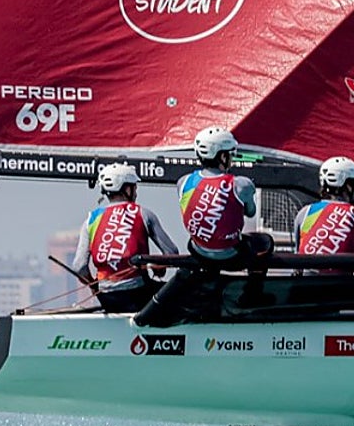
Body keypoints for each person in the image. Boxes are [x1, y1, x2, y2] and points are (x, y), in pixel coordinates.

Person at [70, 163, 179, 313]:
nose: (136, 193)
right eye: (134, 188)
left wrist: (93, 285)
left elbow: (79, 266)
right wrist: (160, 268)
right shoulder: (143, 214)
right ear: (127, 189)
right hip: (139, 294)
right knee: (180, 293)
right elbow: (172, 252)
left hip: (107, 298)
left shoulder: (91, 220)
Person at [178, 126, 263, 263]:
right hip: (231, 254)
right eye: (231, 154)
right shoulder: (241, 184)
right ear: (223, 156)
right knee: (264, 242)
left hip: (198, 250)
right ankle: (255, 276)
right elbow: (251, 212)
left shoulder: (183, 182)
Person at [294, 156, 354, 271]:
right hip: (343, 282)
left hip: (305, 282)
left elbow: (298, 255)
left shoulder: (305, 213)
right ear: (348, 186)